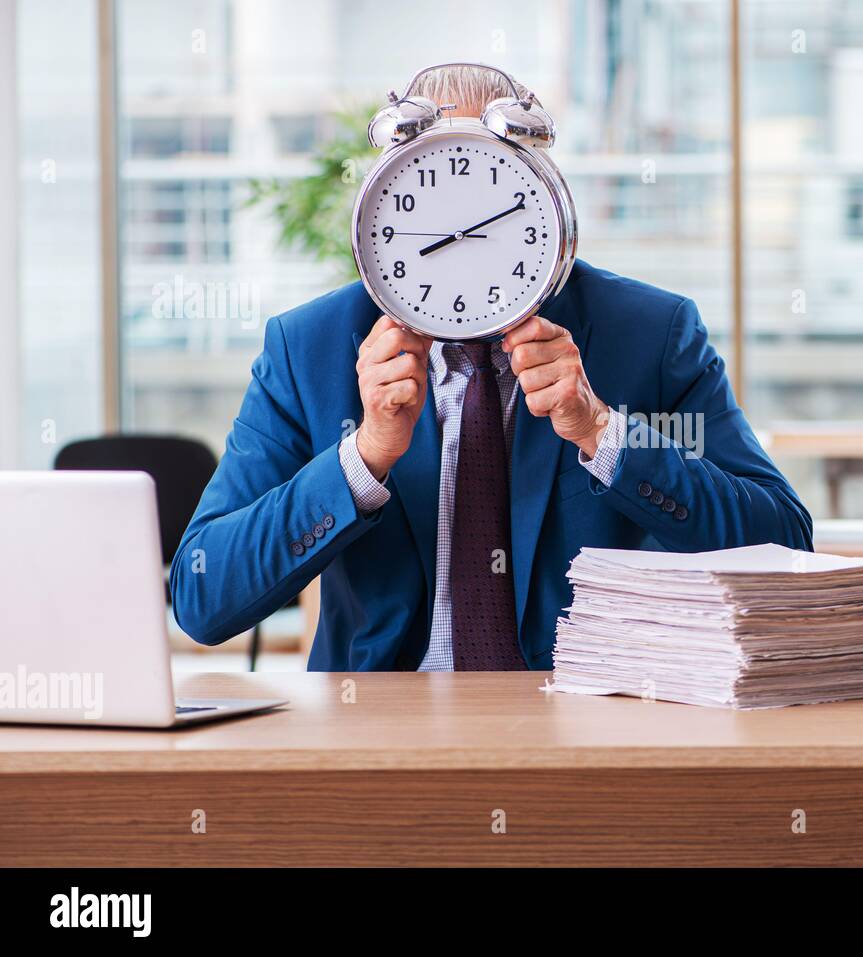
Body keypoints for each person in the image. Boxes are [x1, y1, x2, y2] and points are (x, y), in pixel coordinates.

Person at [170, 64, 812, 671]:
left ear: (542, 203)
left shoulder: (649, 333)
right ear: (385, 214)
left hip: (584, 724)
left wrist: (604, 434)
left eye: (493, 196)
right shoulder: (308, 347)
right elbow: (202, 596)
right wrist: (361, 459)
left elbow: (783, 546)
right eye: (430, 207)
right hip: (377, 733)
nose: (459, 241)